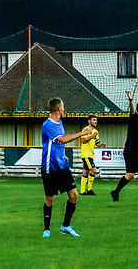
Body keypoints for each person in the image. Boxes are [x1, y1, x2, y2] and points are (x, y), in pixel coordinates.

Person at [41, 97, 93, 238]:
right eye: (63, 107)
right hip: (49, 167)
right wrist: (82, 133)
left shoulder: (60, 123)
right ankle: (47, 229)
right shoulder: (48, 125)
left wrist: (63, 155)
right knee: (49, 199)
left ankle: (65, 226)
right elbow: (62, 139)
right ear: (58, 109)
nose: (64, 109)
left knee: (74, 195)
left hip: (62, 165)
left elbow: (59, 144)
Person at [79, 115, 105, 195]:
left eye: (96, 120)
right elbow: (83, 140)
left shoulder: (96, 131)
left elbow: (97, 143)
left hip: (90, 154)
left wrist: (101, 145)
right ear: (89, 121)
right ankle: (89, 189)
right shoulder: (86, 129)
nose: (95, 122)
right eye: (93, 120)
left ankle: (82, 191)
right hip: (86, 154)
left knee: (86, 172)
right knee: (94, 170)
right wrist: (92, 136)